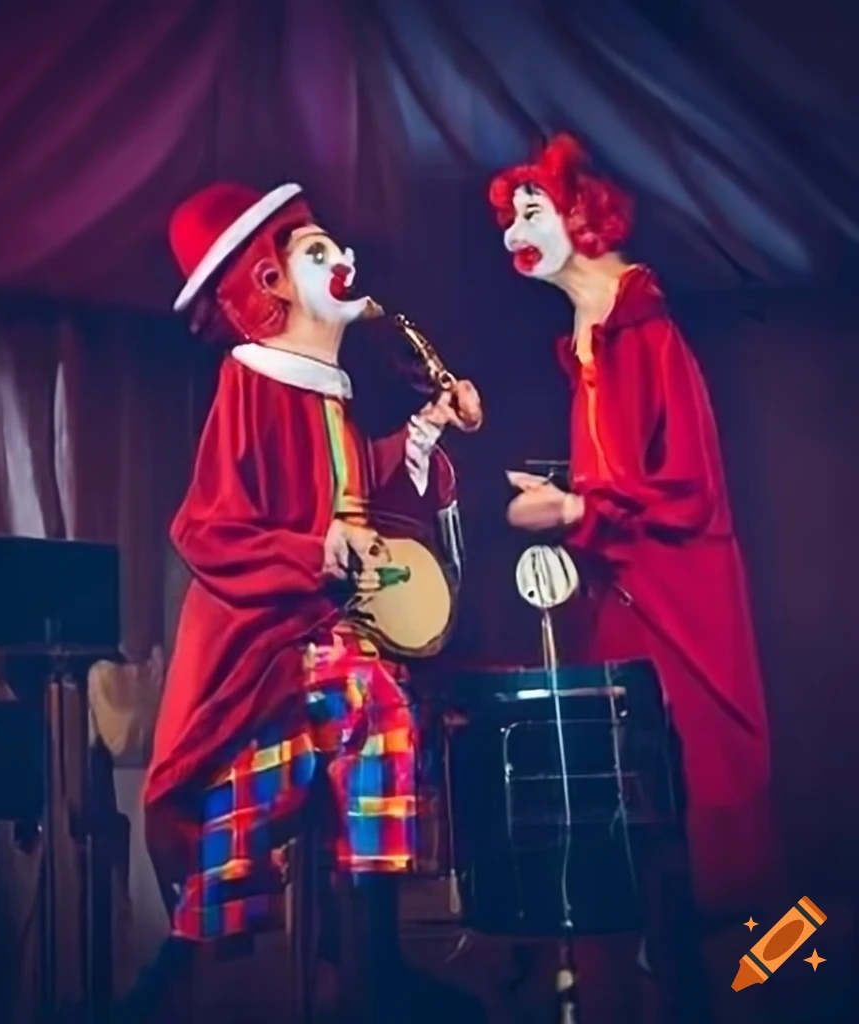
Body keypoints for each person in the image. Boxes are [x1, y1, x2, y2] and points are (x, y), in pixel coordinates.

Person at [123, 181, 481, 1023]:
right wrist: (311, 550)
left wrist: (427, 428)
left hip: (336, 640)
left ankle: (371, 961)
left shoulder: (330, 394)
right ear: (272, 283)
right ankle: (187, 977)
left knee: (382, 722)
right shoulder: (250, 385)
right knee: (246, 812)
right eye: (315, 250)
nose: (343, 258)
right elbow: (206, 528)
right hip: (270, 647)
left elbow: (361, 494)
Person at [488, 134, 779, 1001]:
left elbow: (685, 484)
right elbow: (618, 471)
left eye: (529, 212)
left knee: (700, 790)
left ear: (584, 214)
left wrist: (575, 509)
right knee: (638, 789)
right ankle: (655, 970)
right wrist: (564, 494)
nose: (512, 235)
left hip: (676, 590)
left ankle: (749, 979)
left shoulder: (641, 324)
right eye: (507, 221)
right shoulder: (588, 335)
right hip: (618, 589)